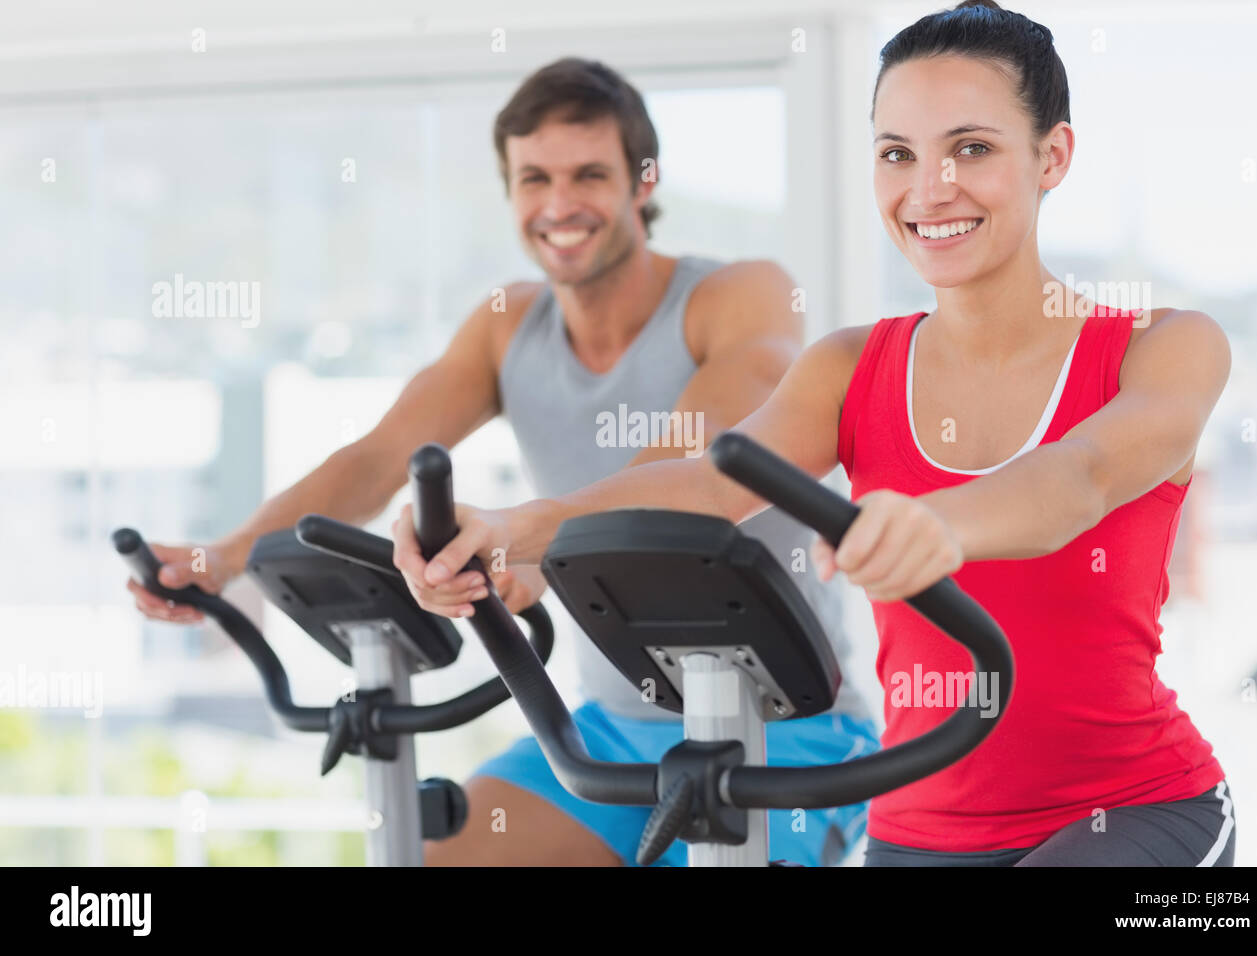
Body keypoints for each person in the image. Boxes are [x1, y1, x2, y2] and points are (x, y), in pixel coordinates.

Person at [396, 2, 1237, 866]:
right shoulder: (850, 367)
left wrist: (943, 523)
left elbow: (1083, 476)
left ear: (1052, 155)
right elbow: (710, 487)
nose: (930, 187)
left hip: (1132, 812)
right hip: (917, 826)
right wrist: (513, 528)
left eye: (972, 149)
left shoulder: (1163, 347)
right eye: (897, 155)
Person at [128, 57, 879, 867]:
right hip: (609, 730)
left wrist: (542, 552)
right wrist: (225, 558)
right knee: (439, 858)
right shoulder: (504, 325)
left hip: (794, 731)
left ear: (643, 184)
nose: (559, 205)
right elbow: (381, 454)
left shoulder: (741, 294)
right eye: (534, 178)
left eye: (590, 173)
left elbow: (699, 466)